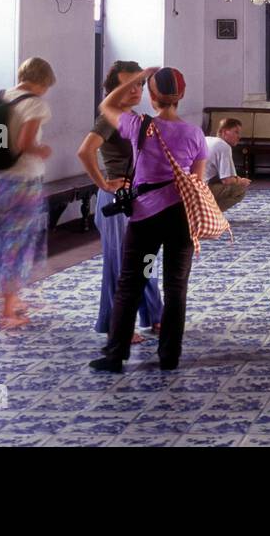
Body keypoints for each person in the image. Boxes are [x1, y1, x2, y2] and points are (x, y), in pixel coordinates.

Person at [90, 66, 207, 373]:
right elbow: (198, 182)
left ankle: (116, 356)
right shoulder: (195, 134)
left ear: (152, 97)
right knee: (176, 288)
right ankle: (169, 357)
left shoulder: (139, 125)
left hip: (145, 217)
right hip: (180, 217)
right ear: (181, 96)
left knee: (130, 284)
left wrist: (137, 76)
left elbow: (107, 106)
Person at [76, 60, 162, 344]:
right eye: (128, 84)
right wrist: (103, 183)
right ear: (115, 89)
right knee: (119, 264)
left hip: (137, 198)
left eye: (139, 83)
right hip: (114, 199)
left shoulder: (134, 116)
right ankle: (114, 325)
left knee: (146, 258)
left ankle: (153, 316)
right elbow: (85, 151)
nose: (135, 89)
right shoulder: (108, 119)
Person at [0, 56, 55, 330]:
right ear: (42, 82)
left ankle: (11, 299)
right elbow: (25, 144)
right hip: (21, 181)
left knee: (1, 238)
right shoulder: (35, 104)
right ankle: (8, 311)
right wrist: (43, 150)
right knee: (18, 242)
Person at [204, 118, 251, 215]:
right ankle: (211, 215)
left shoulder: (207, 139)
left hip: (188, 187)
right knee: (239, 190)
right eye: (236, 132)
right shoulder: (223, 146)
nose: (239, 137)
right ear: (225, 132)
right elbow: (227, 180)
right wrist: (241, 181)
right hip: (202, 189)